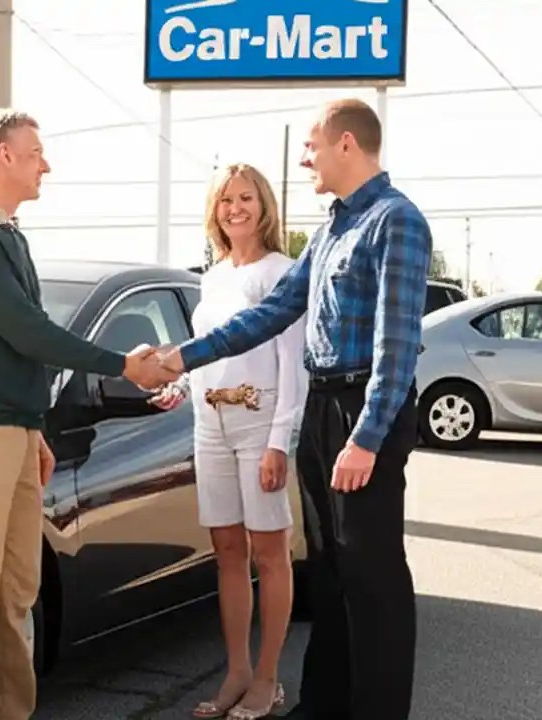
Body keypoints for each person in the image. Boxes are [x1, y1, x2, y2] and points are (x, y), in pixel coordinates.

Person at [157, 98, 431, 720]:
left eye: (312, 145)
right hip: (322, 408)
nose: (304, 157)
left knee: (373, 575)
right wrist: (184, 357)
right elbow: (274, 311)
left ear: (346, 146)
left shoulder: (397, 221)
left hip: (364, 411)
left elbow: (397, 341)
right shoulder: (334, 226)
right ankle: (323, 703)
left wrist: (365, 437)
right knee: (331, 571)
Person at [0, 107, 170, 719]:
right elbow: (29, 332)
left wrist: (32, 427)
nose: (45, 165)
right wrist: (123, 366)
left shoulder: (7, 234)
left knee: (14, 595)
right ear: (3, 157)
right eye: (35, 153)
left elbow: (15, 345)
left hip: (10, 432)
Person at [151, 163, 307, 719]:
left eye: (245, 198)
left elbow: (293, 364)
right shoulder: (212, 277)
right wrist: (180, 387)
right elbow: (206, 352)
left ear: (264, 205)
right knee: (227, 554)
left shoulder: (283, 273)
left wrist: (278, 443)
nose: (235, 208)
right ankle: (236, 672)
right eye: (225, 200)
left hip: (259, 419)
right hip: (208, 425)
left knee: (270, 554)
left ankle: (267, 679)